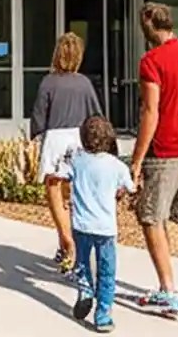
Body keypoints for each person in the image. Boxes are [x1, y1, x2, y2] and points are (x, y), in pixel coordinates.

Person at [130, 2, 178, 317]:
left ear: (148, 25)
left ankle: (168, 290)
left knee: (151, 218)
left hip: (165, 153)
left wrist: (136, 161)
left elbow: (151, 112)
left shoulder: (151, 61)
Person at [30, 32, 103, 272]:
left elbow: (40, 115)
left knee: (54, 191)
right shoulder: (84, 83)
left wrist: (34, 138)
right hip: (79, 139)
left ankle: (66, 241)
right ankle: (73, 243)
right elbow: (95, 115)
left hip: (56, 139)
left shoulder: (49, 82)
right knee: (75, 194)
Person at [64, 116, 136, 332]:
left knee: (83, 263)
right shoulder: (116, 166)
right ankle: (103, 314)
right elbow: (130, 188)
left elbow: (61, 177)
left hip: (81, 225)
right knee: (107, 271)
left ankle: (85, 290)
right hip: (105, 228)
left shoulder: (76, 161)